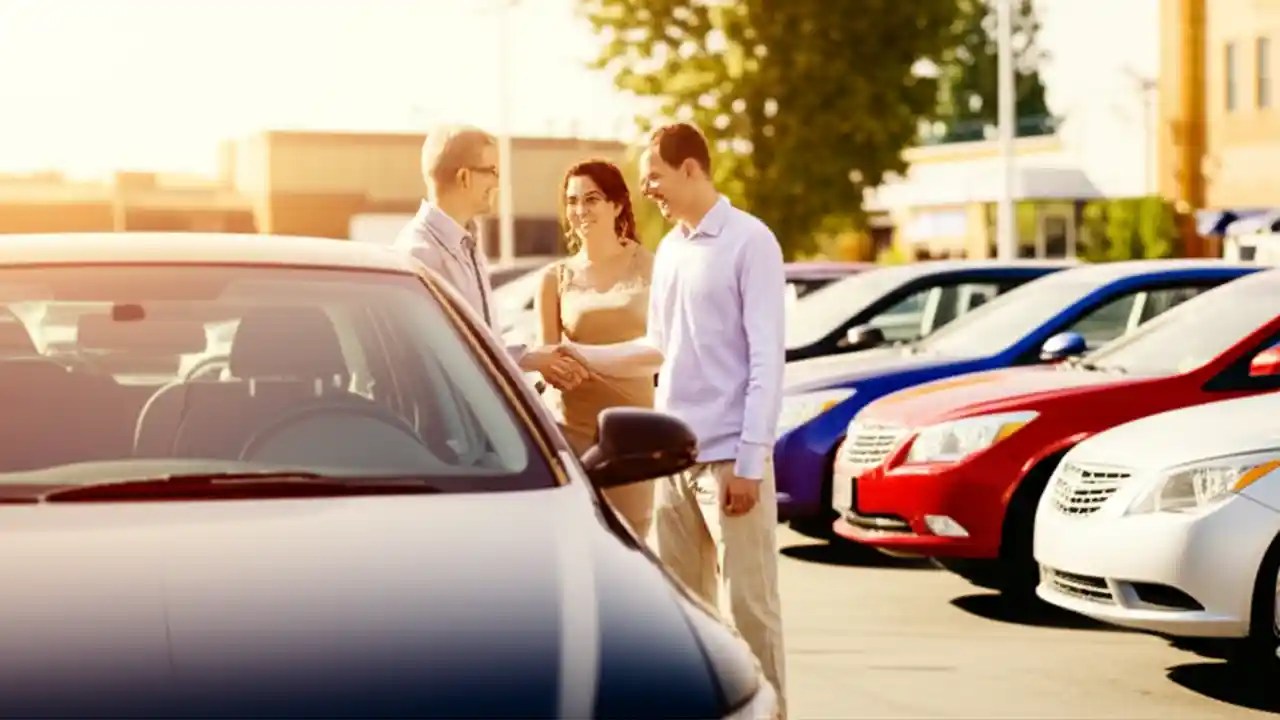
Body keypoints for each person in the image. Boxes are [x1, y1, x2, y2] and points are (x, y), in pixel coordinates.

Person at [560, 122, 788, 716]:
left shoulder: (750, 241)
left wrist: (747, 462)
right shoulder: (675, 252)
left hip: (730, 465)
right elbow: (656, 346)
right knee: (691, 621)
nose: (646, 188)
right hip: (674, 462)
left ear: (692, 169)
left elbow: (767, 358)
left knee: (751, 614)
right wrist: (581, 355)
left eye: (654, 175)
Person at [393, 124, 588, 392]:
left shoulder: (466, 243)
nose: (497, 183)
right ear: (464, 177)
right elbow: (444, 359)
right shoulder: (420, 255)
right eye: (492, 171)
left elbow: (479, 343)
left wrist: (533, 360)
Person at [536, 159, 656, 538]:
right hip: (574, 433)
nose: (580, 211)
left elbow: (666, 346)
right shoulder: (553, 279)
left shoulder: (650, 266)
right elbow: (549, 359)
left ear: (617, 205)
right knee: (580, 545)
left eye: (592, 199)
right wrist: (554, 368)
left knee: (633, 543)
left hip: (637, 434)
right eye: (572, 201)